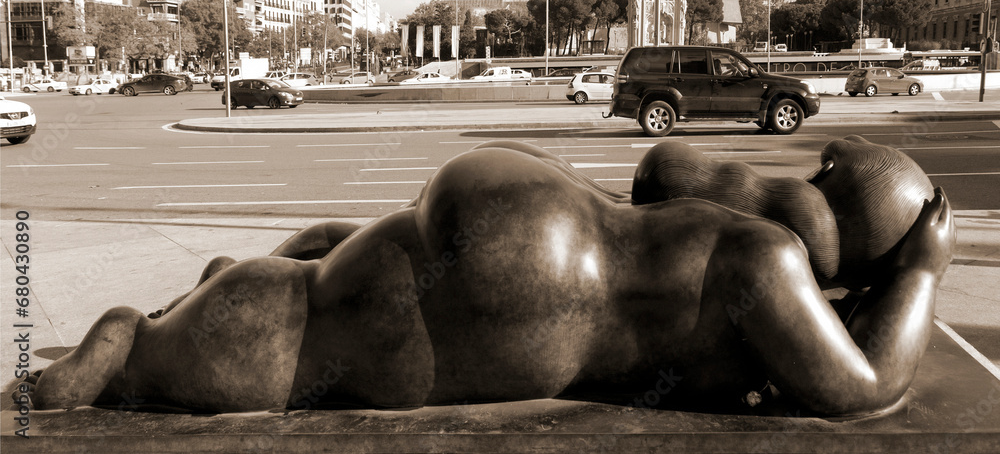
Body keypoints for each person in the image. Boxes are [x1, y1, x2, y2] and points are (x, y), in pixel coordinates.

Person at [24, 138, 954, 416]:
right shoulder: (768, 263)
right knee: (321, 342)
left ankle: (232, 281)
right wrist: (923, 273)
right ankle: (132, 345)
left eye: (838, 169)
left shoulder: (714, 207)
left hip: (530, 211)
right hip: (530, 299)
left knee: (343, 288)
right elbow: (865, 384)